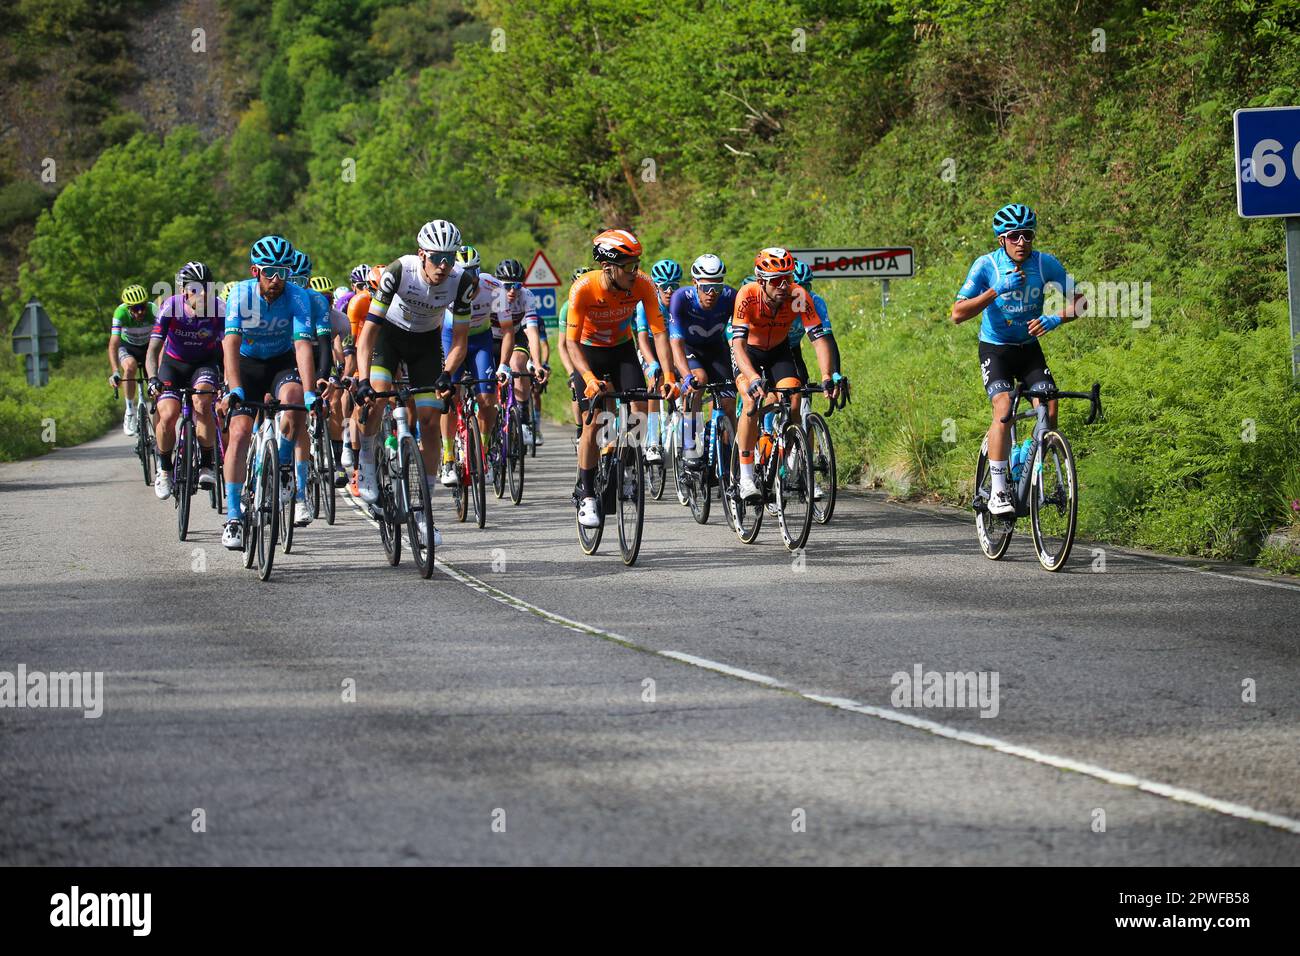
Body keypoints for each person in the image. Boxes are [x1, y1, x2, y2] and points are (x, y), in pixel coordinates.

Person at [950, 203, 1086, 516]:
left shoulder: (1045, 264)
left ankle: (1027, 454)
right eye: (1014, 236)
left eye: (1027, 235)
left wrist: (1055, 319)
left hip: (1028, 350)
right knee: (1003, 409)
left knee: (1050, 404)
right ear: (1002, 240)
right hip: (996, 349)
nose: (1022, 242)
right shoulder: (986, 266)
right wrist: (995, 291)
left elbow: (1081, 303)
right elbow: (958, 314)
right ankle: (998, 492)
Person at [354, 219, 478, 547]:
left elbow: (460, 342)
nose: (444, 265)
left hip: (425, 345)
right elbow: (368, 332)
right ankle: (366, 459)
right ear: (422, 254)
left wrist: (446, 374)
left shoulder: (462, 282)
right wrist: (363, 380)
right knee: (378, 398)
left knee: (430, 419)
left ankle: (423, 511)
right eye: (437, 257)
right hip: (389, 339)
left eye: (450, 258)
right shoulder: (399, 271)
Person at [218, 236, 318, 550]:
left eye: (283, 273)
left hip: (280, 362)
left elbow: (302, 346)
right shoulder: (240, 294)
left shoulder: (298, 296)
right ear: (255, 271)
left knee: (294, 401)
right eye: (269, 272)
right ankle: (234, 515)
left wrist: (311, 392)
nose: (276, 280)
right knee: (239, 432)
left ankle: (284, 468)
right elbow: (230, 345)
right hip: (246, 366)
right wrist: (234, 388)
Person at [730, 248, 837, 502]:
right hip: (749, 352)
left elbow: (819, 340)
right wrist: (753, 378)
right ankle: (745, 477)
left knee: (794, 398)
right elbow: (737, 345)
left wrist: (826, 376)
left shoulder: (797, 295)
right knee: (750, 401)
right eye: (777, 280)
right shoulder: (747, 295)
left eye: (787, 278)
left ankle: (788, 463)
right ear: (761, 281)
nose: (784, 285)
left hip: (779, 351)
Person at [146, 261, 226, 499]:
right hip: (173, 364)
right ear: (183, 290)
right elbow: (152, 351)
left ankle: (208, 463)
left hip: (205, 363)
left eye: (205, 287)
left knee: (202, 402)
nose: (200, 293)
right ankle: (164, 469)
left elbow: (228, 349)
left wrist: (227, 382)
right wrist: (152, 378)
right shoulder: (169, 307)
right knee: (168, 414)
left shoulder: (218, 309)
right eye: (194, 288)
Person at [108, 284, 159, 436]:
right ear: (128, 307)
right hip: (128, 347)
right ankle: (130, 411)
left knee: (156, 379)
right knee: (130, 367)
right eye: (135, 308)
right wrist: (115, 371)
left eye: (142, 307)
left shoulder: (154, 310)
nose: (140, 312)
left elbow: (165, 340)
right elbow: (113, 345)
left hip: (148, 348)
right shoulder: (120, 313)